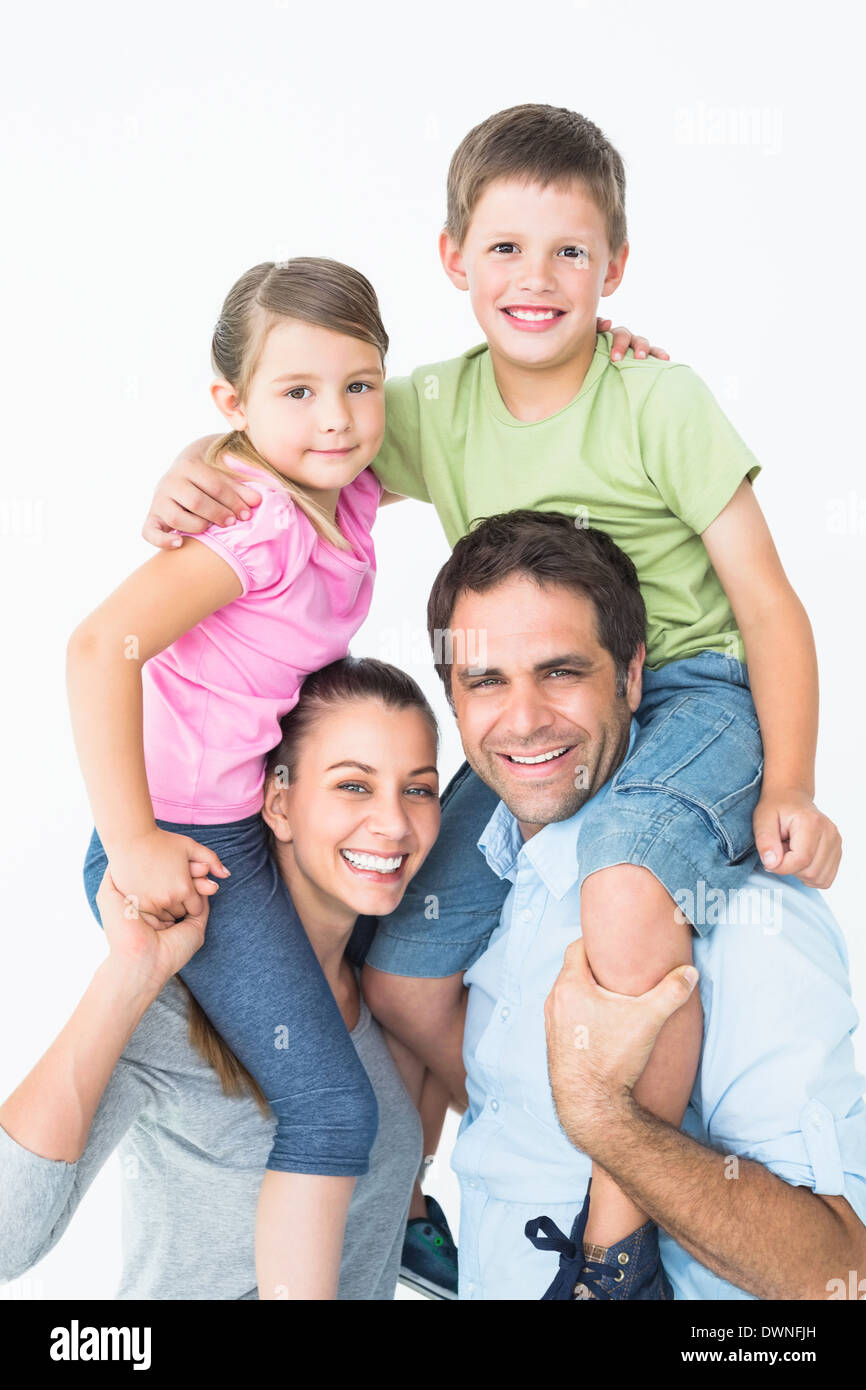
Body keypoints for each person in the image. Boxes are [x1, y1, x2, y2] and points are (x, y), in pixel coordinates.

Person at [138, 103, 841, 1288]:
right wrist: (198, 464)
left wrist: (790, 781)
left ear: (612, 269)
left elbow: (767, 602)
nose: (537, 277)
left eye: (570, 251)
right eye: (505, 249)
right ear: (453, 259)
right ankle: (479, 1166)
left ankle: (613, 1236)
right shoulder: (426, 406)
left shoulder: (655, 401)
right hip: (538, 712)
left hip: (688, 690)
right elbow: (303, 418)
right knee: (399, 956)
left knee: (622, 872)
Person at [66, 256, 415, 1301]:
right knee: (330, 1107)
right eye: (296, 393)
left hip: (251, 823)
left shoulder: (343, 491)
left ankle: (406, 1216)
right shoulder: (254, 523)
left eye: (359, 385)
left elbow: (479, 400)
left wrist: (609, 361)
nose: (338, 417)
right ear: (234, 402)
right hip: (184, 840)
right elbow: (98, 648)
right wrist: (131, 842)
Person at [416, 510, 866, 1299]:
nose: (523, 719)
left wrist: (608, 1120)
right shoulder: (485, 891)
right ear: (454, 702)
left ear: (630, 675)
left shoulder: (738, 912)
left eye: (561, 671)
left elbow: (838, 1272)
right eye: (487, 681)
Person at [0, 659, 443, 1300]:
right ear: (278, 802)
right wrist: (128, 976)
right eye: (353, 785)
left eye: (418, 789)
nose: (395, 823)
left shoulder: (374, 987)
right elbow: (9, 1242)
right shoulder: (178, 1013)